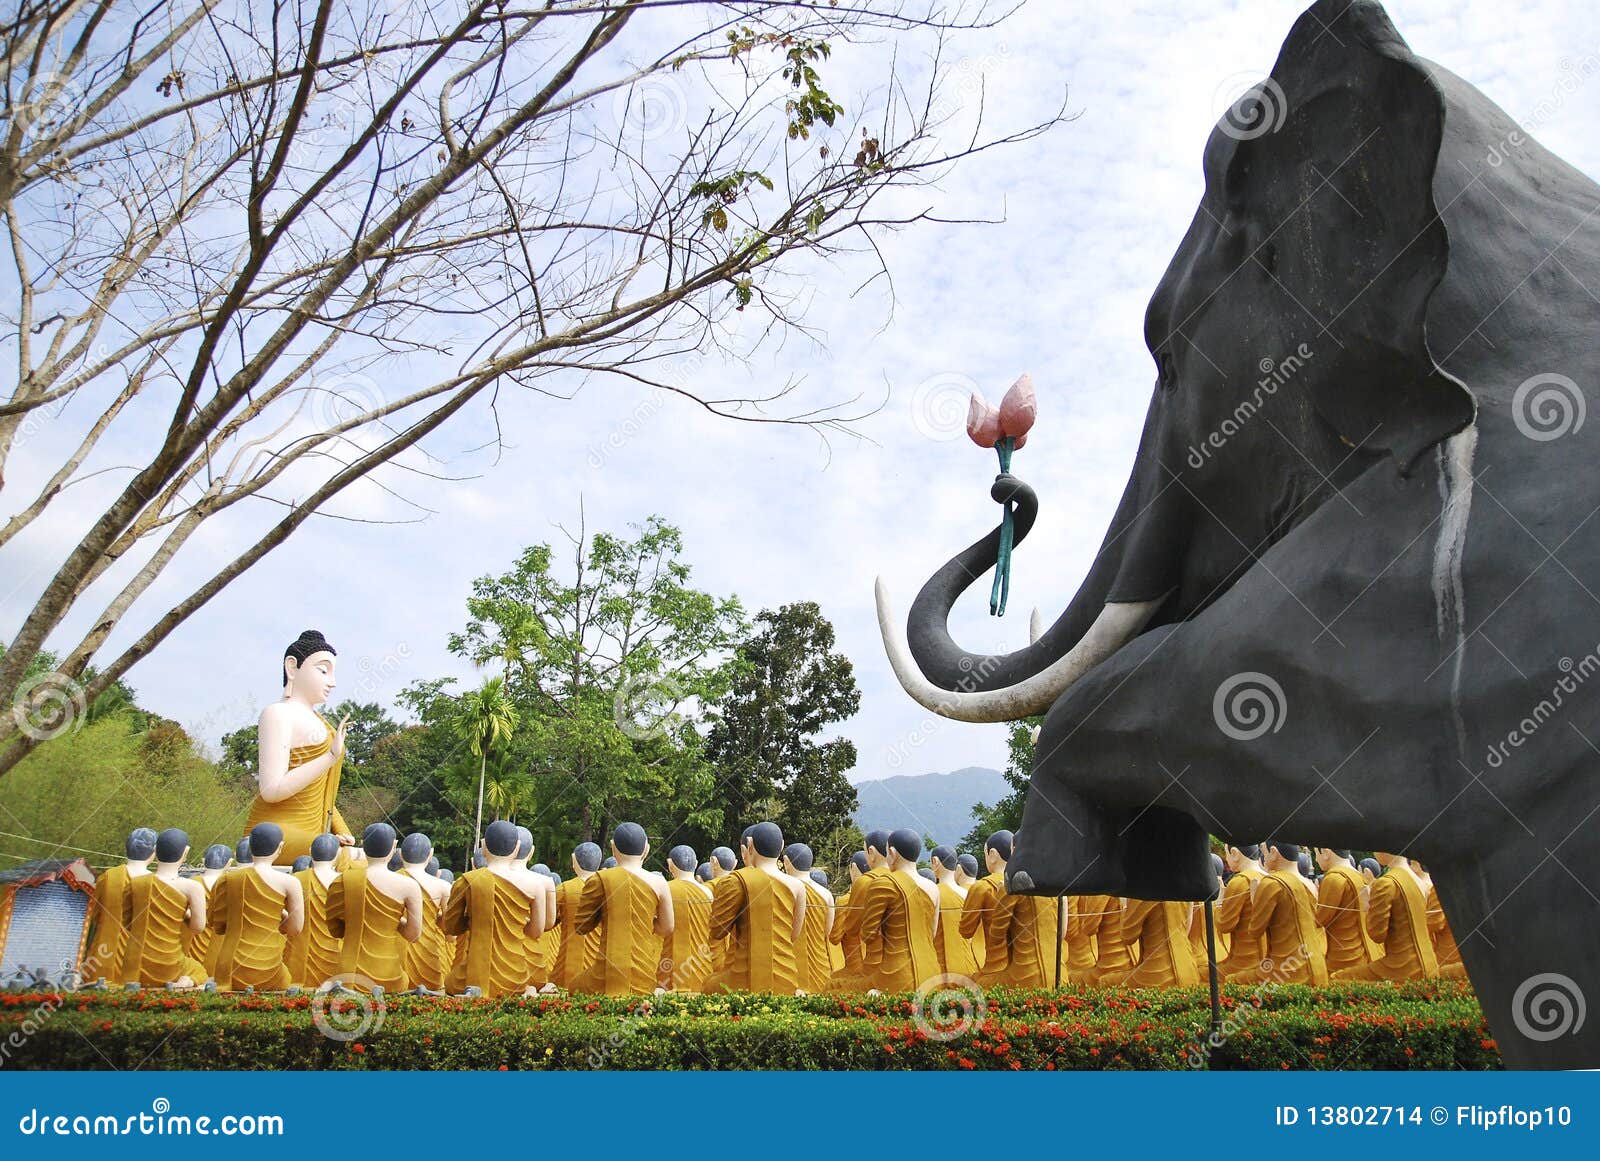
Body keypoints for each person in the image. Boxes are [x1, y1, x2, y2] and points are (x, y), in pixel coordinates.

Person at [245, 630, 356, 862]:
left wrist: (342, 830)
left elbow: (324, 795)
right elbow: (271, 790)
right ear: (292, 667)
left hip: (315, 834)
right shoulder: (277, 714)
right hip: (274, 832)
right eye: (323, 671)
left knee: (368, 856)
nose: (332, 682)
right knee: (343, 858)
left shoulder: (323, 723)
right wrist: (329, 757)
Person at [442, 821, 545, 997]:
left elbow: (451, 928)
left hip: (470, 979)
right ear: (517, 848)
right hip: (515, 978)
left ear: (483, 846)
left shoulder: (467, 880)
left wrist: (473, 919)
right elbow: (536, 931)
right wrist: (517, 923)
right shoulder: (536, 885)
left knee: (450, 982)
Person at [703, 821, 805, 994]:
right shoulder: (798, 886)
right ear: (781, 847)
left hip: (742, 977)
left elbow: (717, 931)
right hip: (785, 977)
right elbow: (793, 935)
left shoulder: (736, 880)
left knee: (708, 984)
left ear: (749, 845)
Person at [572, 823, 674, 995]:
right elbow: (667, 927)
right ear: (646, 850)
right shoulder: (660, 883)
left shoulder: (600, 878)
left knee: (575, 987)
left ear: (613, 848)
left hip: (605, 972)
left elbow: (582, 927)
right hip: (644, 971)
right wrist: (643, 921)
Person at [326, 823, 422, 993]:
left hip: (347, 973)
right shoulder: (409, 886)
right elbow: (413, 935)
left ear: (363, 844)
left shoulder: (342, 880)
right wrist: (394, 921)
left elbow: (335, 931)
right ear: (394, 846)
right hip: (389, 975)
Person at [209, 822, 304, 991]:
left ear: (250, 847)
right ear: (280, 847)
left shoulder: (227, 879)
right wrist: (278, 916)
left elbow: (218, 926)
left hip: (229, 966)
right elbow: (295, 928)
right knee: (285, 985)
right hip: (269, 965)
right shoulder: (289, 882)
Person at [119, 828, 207, 988]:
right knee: (199, 972)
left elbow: (126, 923)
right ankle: (185, 982)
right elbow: (198, 927)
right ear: (185, 853)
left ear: (155, 851)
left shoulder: (137, 883)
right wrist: (185, 915)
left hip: (133, 962)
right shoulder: (191, 886)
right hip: (168, 961)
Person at [1231, 841, 1328, 984]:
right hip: (1318, 964)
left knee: (1231, 980)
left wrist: (1254, 900)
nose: (1262, 859)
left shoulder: (1271, 883)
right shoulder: (1309, 884)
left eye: (1264, 853)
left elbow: (1255, 931)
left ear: (1274, 853)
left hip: (1287, 969)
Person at [1334, 852, 1439, 981]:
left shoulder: (1386, 883)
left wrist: (1367, 906)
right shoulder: (1419, 880)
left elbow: (1377, 935)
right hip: (1430, 962)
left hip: (1401, 966)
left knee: (1339, 978)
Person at [858, 829, 940, 992]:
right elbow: (932, 932)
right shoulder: (933, 887)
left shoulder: (884, 883)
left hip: (895, 975)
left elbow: (867, 934)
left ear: (892, 853)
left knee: (836, 987)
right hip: (932, 973)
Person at [988, 831, 1060, 988]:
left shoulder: (1013, 881)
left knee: (977, 983)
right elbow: (1065, 930)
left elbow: (996, 937)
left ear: (1015, 850)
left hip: (1024, 976)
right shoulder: (1058, 884)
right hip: (1060, 974)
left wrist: (1001, 896)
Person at [87, 827, 156, 984]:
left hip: (101, 955)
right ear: (154, 851)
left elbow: (95, 915)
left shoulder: (108, 877)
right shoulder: (156, 884)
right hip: (139, 957)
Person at [287, 833, 343, 990]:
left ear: (310, 851)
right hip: (337, 951)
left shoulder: (295, 879)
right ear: (337, 854)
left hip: (298, 955)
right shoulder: (346, 880)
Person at [399, 832, 452, 992]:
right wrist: (438, 918)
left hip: (395, 956)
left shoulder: (391, 880)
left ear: (400, 854)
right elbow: (450, 934)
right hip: (429, 957)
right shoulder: (443, 887)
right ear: (430, 854)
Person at [1313, 847, 1379, 974]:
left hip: (1344, 955)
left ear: (1326, 853)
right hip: (1365, 950)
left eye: (1316, 854)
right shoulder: (1360, 876)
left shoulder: (1334, 878)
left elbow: (1320, 919)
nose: (1316, 859)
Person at [660, 844, 716, 991]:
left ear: (670, 864)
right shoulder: (707, 893)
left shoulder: (664, 890)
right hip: (700, 962)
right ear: (696, 864)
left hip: (669, 965)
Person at [781, 843, 834, 993]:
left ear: (786, 861)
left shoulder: (785, 889)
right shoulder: (826, 894)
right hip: (820, 961)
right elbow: (827, 931)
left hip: (791, 961)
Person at [962, 831, 1013, 984]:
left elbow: (966, 930)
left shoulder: (982, 887)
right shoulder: (1031, 886)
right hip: (1028, 964)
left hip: (995, 966)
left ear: (992, 854)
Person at [552, 842, 603, 988]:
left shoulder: (564, 889)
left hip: (568, 964)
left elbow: (549, 921)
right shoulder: (608, 888)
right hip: (599, 963)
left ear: (574, 860)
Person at [1215, 842, 1267, 979]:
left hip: (1244, 960)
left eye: (1226, 854)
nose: (1226, 859)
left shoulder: (1239, 882)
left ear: (1235, 854)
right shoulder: (1268, 879)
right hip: (1267, 957)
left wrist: (1218, 904)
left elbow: (1225, 925)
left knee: (1205, 976)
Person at [929, 845, 978, 978]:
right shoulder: (968, 893)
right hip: (969, 964)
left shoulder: (932, 893)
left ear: (935, 861)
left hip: (939, 966)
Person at [186, 843, 233, 979]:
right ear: (229, 863)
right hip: (218, 946)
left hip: (192, 943)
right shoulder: (230, 884)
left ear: (203, 861)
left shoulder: (192, 883)